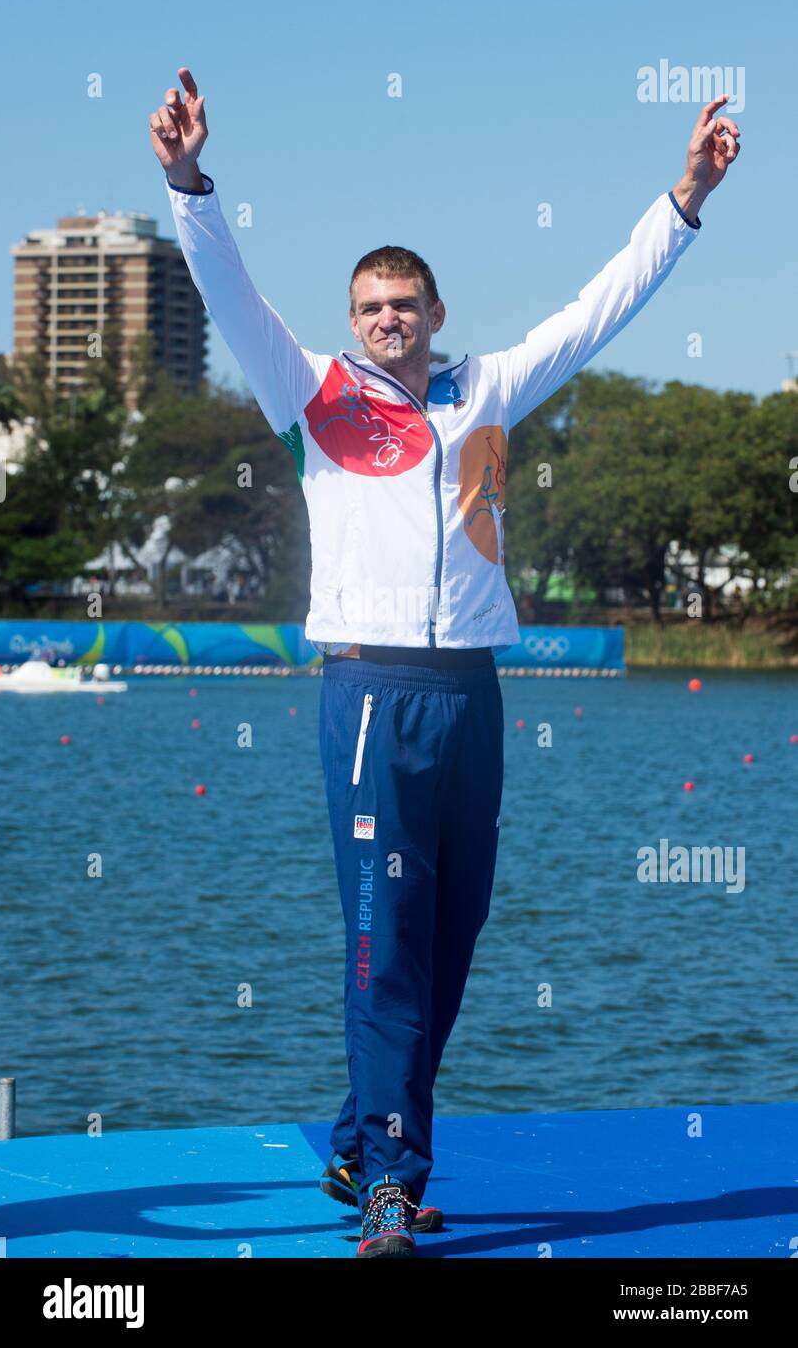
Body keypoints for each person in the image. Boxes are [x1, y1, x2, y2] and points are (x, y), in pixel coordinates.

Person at [149, 69, 739, 1258]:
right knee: (382, 944)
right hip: (371, 692)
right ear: (351, 316)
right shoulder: (307, 392)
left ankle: (355, 1136)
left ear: (436, 309)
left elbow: (599, 306)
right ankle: (394, 1188)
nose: (387, 318)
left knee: (449, 942)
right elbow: (229, 290)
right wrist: (188, 184)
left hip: (472, 692)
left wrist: (682, 199)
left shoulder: (491, 392)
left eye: (405, 301)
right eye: (369, 303)